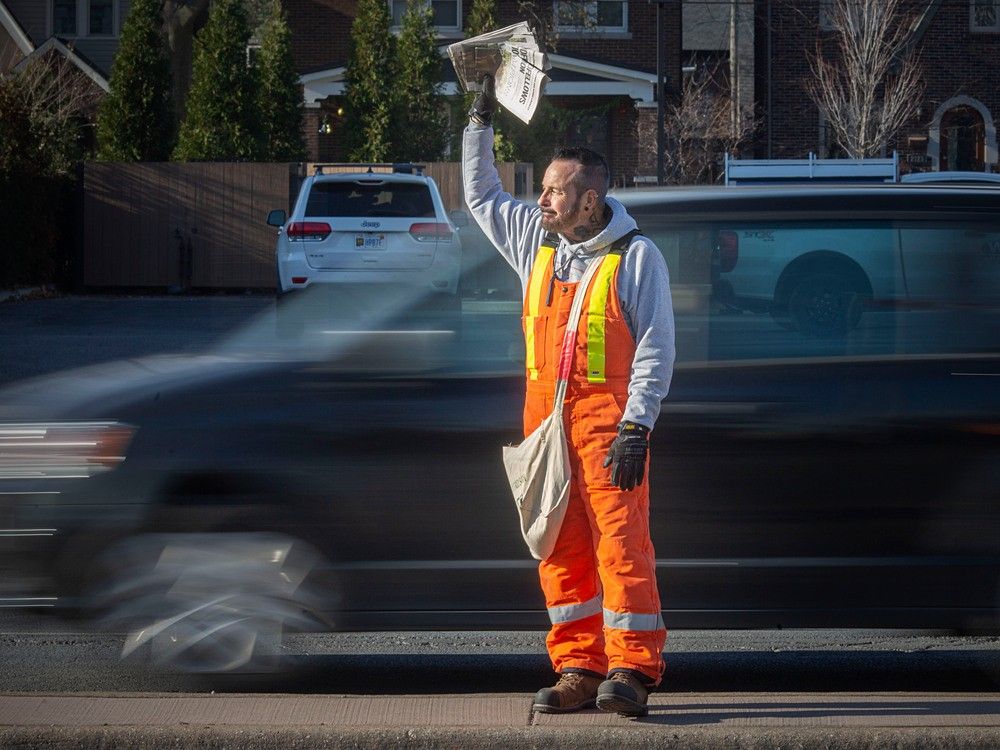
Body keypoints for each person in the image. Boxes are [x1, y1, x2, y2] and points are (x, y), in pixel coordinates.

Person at [462, 76, 676, 717]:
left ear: (589, 202)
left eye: (555, 190)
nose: (542, 199)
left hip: (609, 430)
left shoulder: (637, 259)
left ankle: (632, 671)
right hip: (547, 427)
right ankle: (578, 666)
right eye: (545, 189)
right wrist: (480, 117)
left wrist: (637, 427)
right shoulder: (537, 244)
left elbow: (656, 350)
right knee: (557, 546)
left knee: (622, 546)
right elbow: (480, 194)